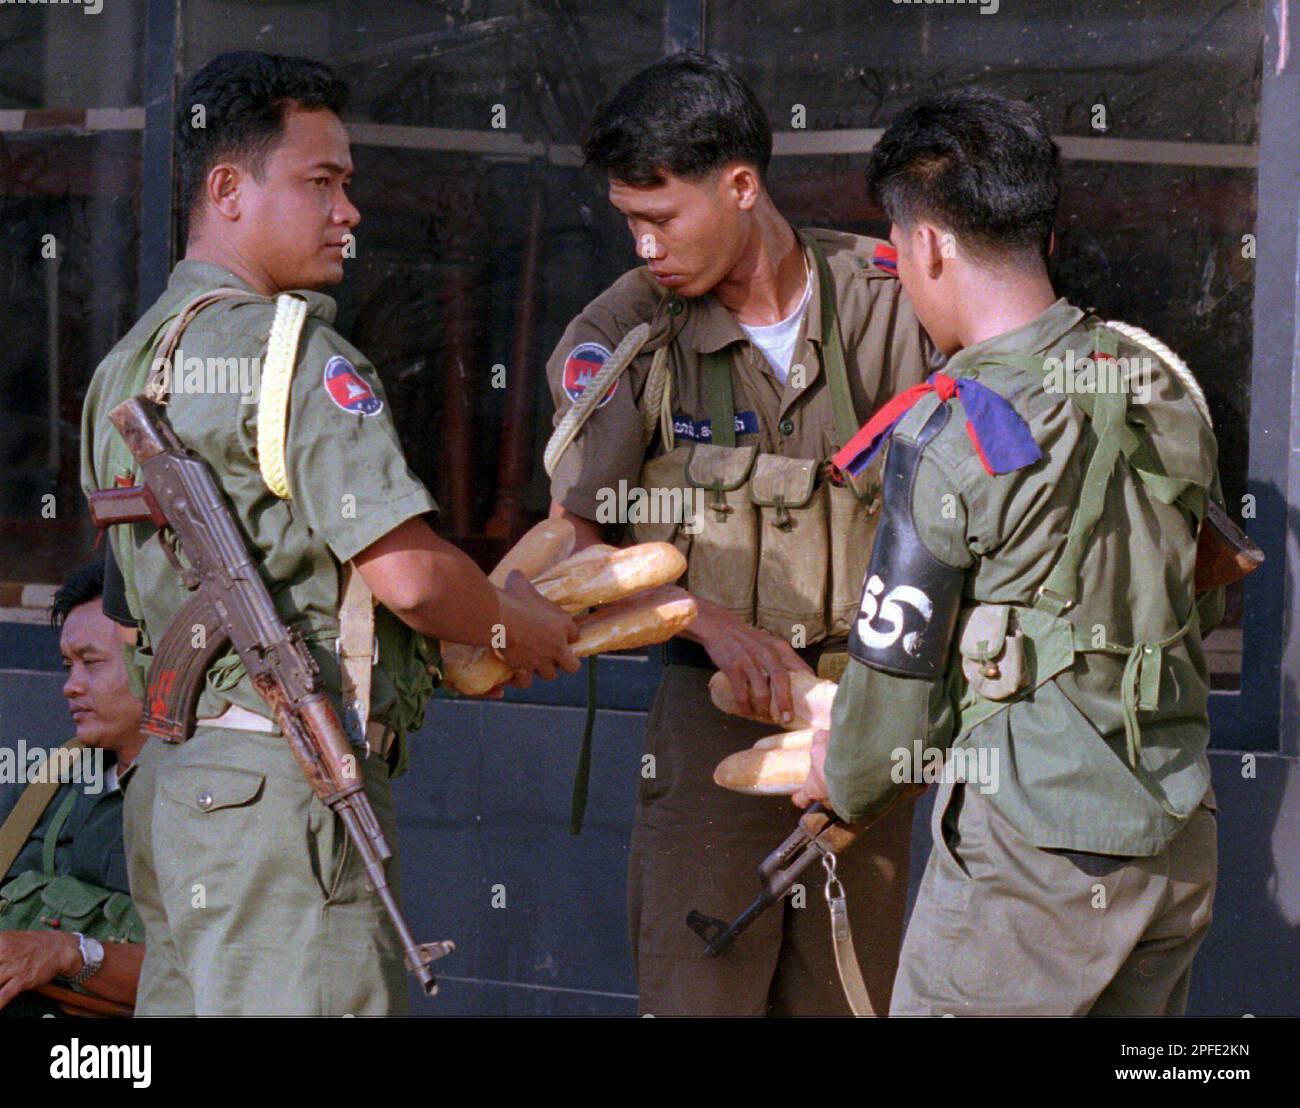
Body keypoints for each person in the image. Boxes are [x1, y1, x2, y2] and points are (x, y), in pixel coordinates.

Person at [80, 51, 580, 1016]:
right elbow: (412, 579)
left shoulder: (125, 365)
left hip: (177, 790)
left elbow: (124, 602)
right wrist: (519, 626)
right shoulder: (292, 353)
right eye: (322, 182)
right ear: (228, 189)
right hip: (287, 792)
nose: (349, 210)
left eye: (346, 184)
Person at [795, 88, 1223, 1016]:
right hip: (1177, 836)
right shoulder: (1159, 383)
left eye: (899, 251)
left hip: (1036, 866)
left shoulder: (949, 430)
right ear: (1045, 235)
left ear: (930, 246)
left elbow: (893, 690)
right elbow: (1204, 597)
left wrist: (843, 773)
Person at [545, 53, 931, 1016]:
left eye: (662, 217)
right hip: (705, 716)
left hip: (864, 720)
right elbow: (570, 545)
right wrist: (705, 621)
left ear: (742, 186)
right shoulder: (626, 336)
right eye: (629, 220)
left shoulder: (896, 300)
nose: (644, 246)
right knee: (698, 995)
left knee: (853, 995)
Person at [0, 561, 145, 1016]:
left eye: (92, 663)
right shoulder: (50, 778)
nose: (70, 686)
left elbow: (211, 973)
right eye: (67, 666)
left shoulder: (203, 798)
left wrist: (70, 952)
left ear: (154, 664)